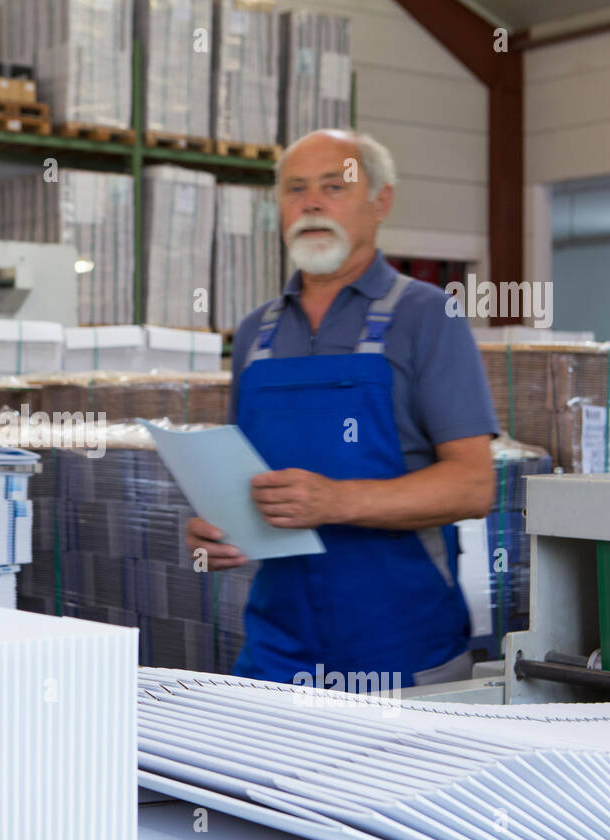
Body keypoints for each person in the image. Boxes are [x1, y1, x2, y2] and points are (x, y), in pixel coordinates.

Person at [186, 129, 498, 689]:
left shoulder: (428, 317)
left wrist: (335, 500)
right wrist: (217, 529)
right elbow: (245, 480)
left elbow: (473, 486)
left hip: (402, 648)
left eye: (335, 187)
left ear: (381, 202)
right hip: (277, 648)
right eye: (295, 189)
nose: (311, 203)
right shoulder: (256, 333)